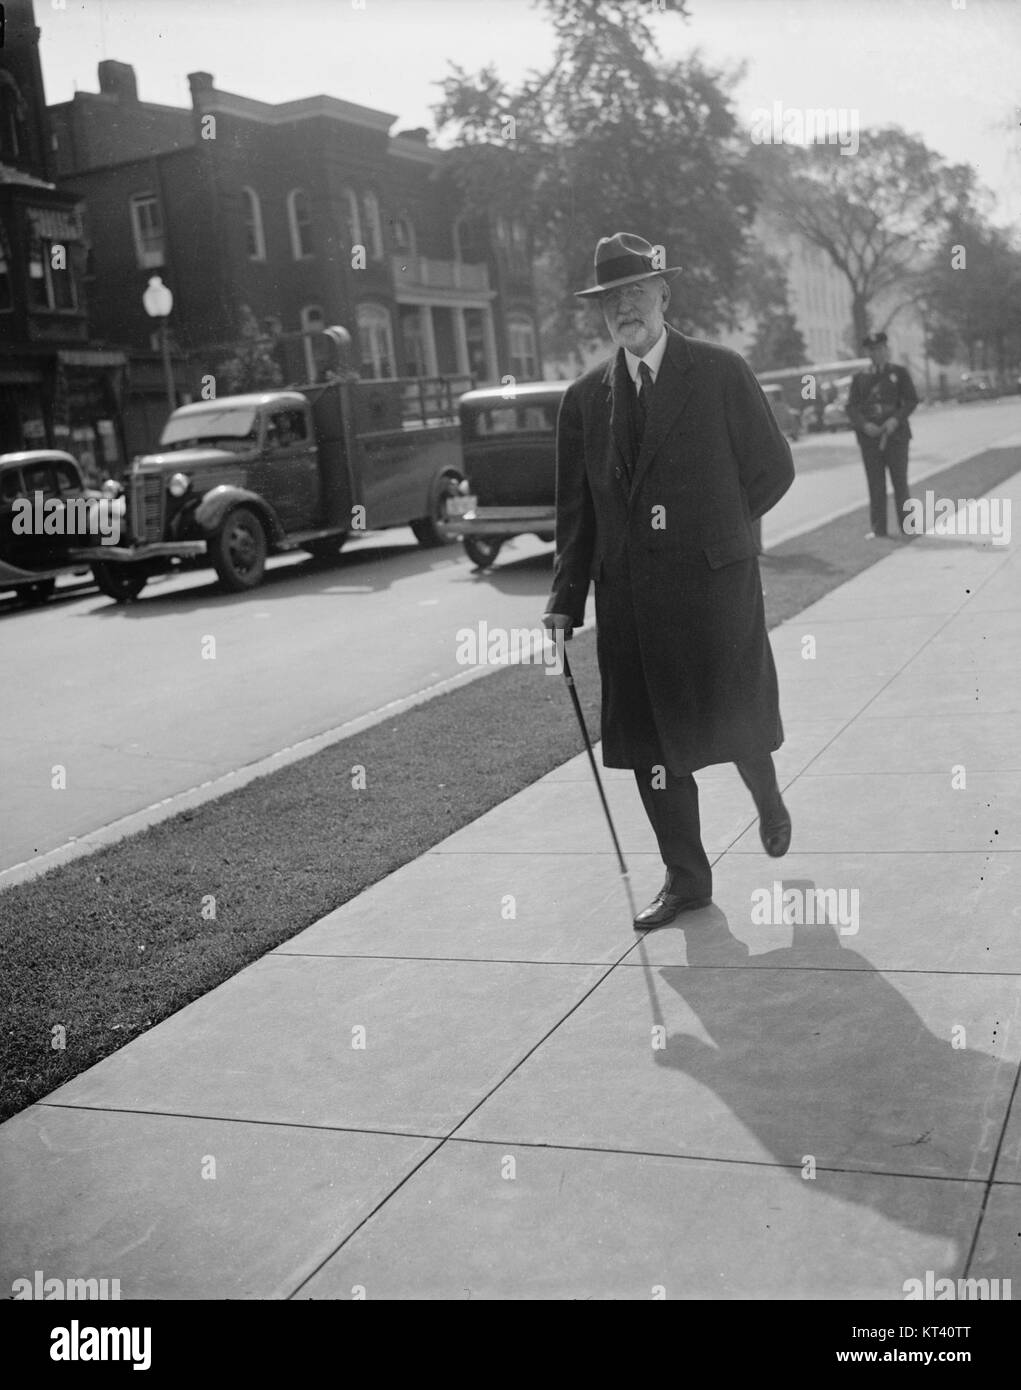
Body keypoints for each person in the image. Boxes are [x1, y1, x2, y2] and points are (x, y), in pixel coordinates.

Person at [543, 232, 796, 930]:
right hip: (628, 603)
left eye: (635, 292)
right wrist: (564, 601)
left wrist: (717, 536)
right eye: (609, 300)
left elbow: (772, 469)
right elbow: (576, 516)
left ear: (663, 294)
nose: (624, 308)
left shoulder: (719, 371)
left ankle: (767, 800)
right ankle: (686, 880)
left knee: (734, 717)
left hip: (712, 592)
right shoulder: (583, 400)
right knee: (653, 746)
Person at [846, 331, 919, 538]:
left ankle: (908, 527)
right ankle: (879, 530)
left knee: (900, 482)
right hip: (870, 439)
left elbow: (911, 401)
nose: (877, 353)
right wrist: (864, 425)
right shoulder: (860, 378)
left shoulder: (899, 373)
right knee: (875, 485)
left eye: (880, 349)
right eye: (872, 350)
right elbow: (851, 407)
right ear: (868, 353)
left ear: (887, 350)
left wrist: (895, 419)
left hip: (895, 436)